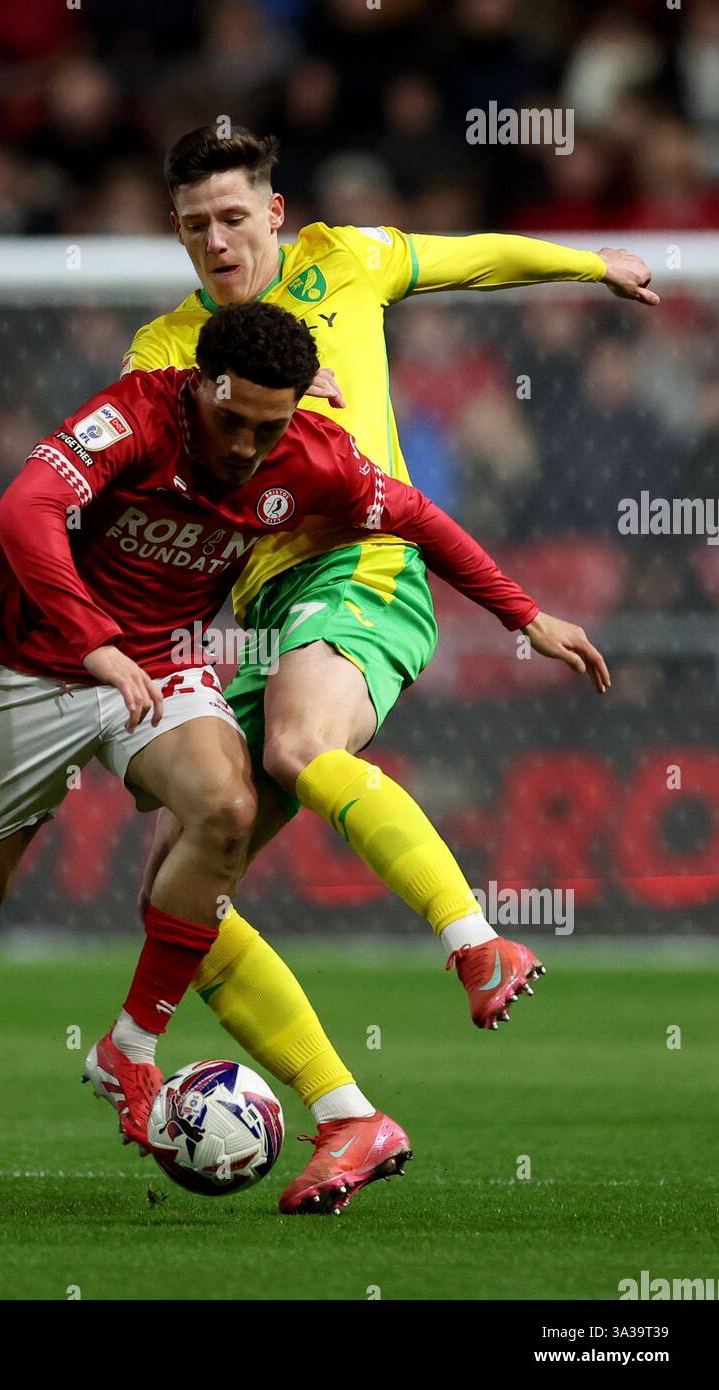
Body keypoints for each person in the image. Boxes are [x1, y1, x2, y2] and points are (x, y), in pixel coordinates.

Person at [0, 302, 608, 1212]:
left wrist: (527, 615)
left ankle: (130, 1044)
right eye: (232, 418)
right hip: (39, 666)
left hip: (161, 662)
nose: (246, 445)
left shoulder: (307, 454)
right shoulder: (134, 415)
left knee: (228, 808)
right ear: (201, 383)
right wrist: (92, 641)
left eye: (269, 426)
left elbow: (420, 519)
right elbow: (24, 510)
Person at [122, 125, 644, 1211]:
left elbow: (471, 257)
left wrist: (588, 263)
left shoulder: (343, 260)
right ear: (176, 233)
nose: (216, 239)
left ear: (273, 213)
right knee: (179, 892)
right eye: (193, 224)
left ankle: (478, 941)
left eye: (232, 216)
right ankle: (351, 1118)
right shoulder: (164, 351)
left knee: (299, 744)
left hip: (365, 566)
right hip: (262, 612)